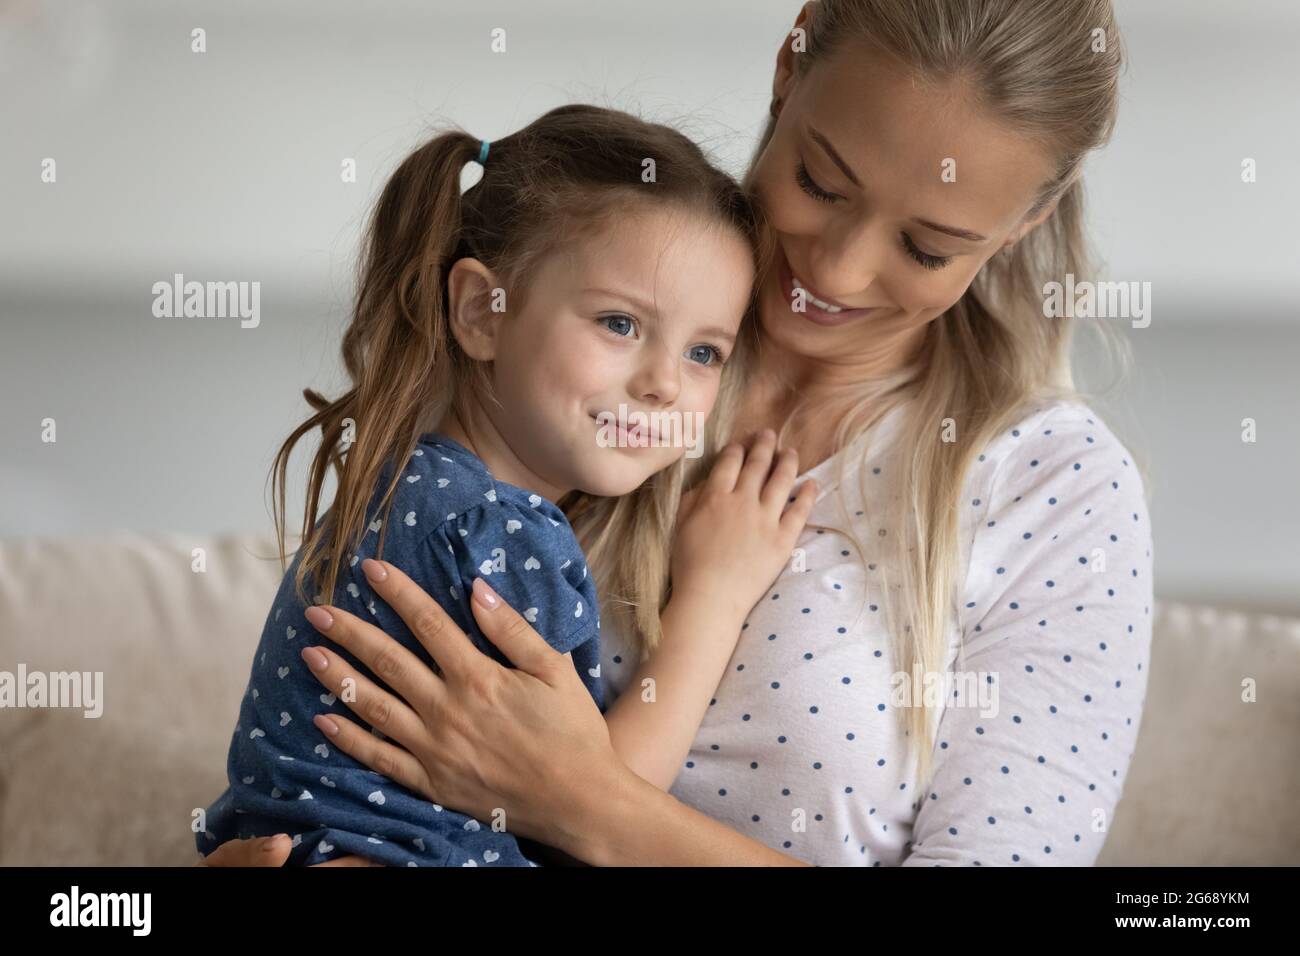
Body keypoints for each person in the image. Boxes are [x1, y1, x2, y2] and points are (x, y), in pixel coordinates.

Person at [204, 0, 1152, 867]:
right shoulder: (573, 349)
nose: (842, 267)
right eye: (823, 183)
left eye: (925, 247)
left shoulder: (1052, 489)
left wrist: (584, 801)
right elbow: (346, 738)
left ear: (1025, 221)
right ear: (790, 62)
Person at [194, 104, 816, 866]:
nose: (663, 384)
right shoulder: (499, 533)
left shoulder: (408, 487)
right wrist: (714, 600)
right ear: (480, 313)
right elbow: (590, 801)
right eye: (620, 324)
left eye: (705, 353)